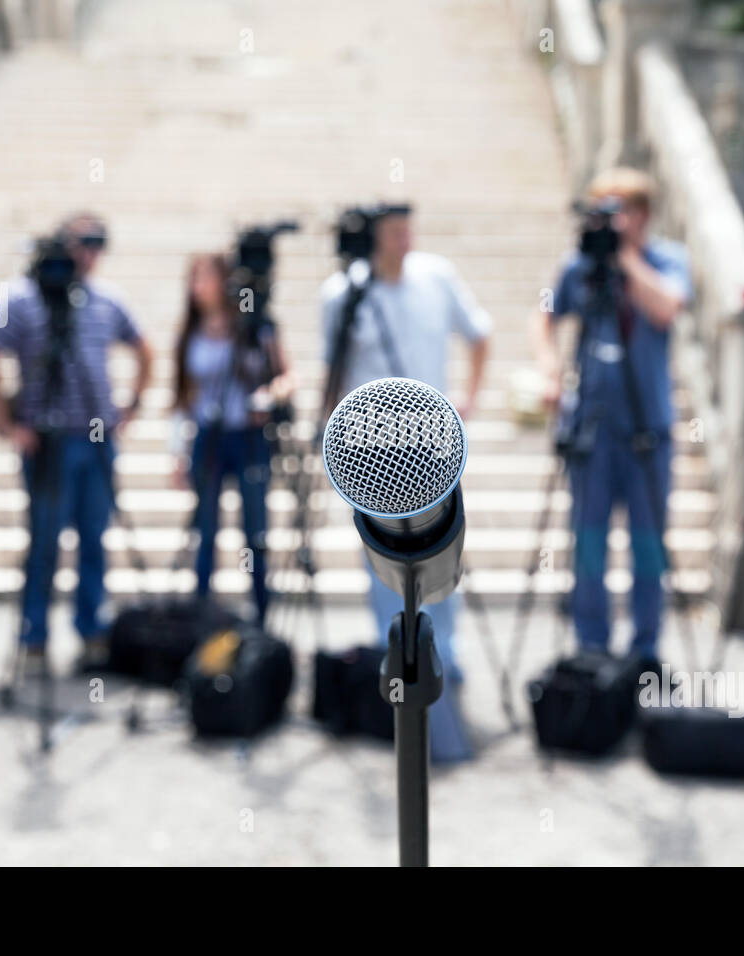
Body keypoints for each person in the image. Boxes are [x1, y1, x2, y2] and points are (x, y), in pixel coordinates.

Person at [320, 204, 491, 762]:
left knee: (440, 555)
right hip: (371, 452)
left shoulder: (436, 276)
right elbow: (334, 369)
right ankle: (395, 665)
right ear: (374, 239)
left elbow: (480, 332)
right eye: (394, 231)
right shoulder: (340, 293)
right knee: (387, 566)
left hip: (434, 443)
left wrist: (468, 398)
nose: (404, 239)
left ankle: (445, 661)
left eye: (407, 229)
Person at [0, 213, 153, 674]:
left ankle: (91, 631)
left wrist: (130, 408)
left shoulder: (106, 300)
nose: (88, 253)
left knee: (94, 538)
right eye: (81, 243)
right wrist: (5, 424)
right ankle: (33, 637)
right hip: (45, 444)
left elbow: (144, 348)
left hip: (94, 440)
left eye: (98, 243)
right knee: (44, 542)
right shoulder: (22, 297)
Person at [531, 168, 692, 660]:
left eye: (618, 210)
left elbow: (667, 308)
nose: (609, 222)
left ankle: (646, 651)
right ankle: (591, 646)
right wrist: (550, 368)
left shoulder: (667, 260)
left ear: (641, 215)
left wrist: (625, 258)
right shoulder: (578, 266)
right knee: (589, 543)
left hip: (648, 429)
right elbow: (543, 312)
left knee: (647, 546)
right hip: (591, 429)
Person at [171, 253, 295, 625]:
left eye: (206, 278)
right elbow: (182, 398)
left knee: (255, 531)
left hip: (249, 437)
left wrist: (268, 398)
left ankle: (262, 617)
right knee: (205, 531)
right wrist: (177, 452)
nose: (200, 287)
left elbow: (286, 376)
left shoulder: (254, 327)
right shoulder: (190, 333)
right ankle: (200, 616)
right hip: (208, 437)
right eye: (194, 279)